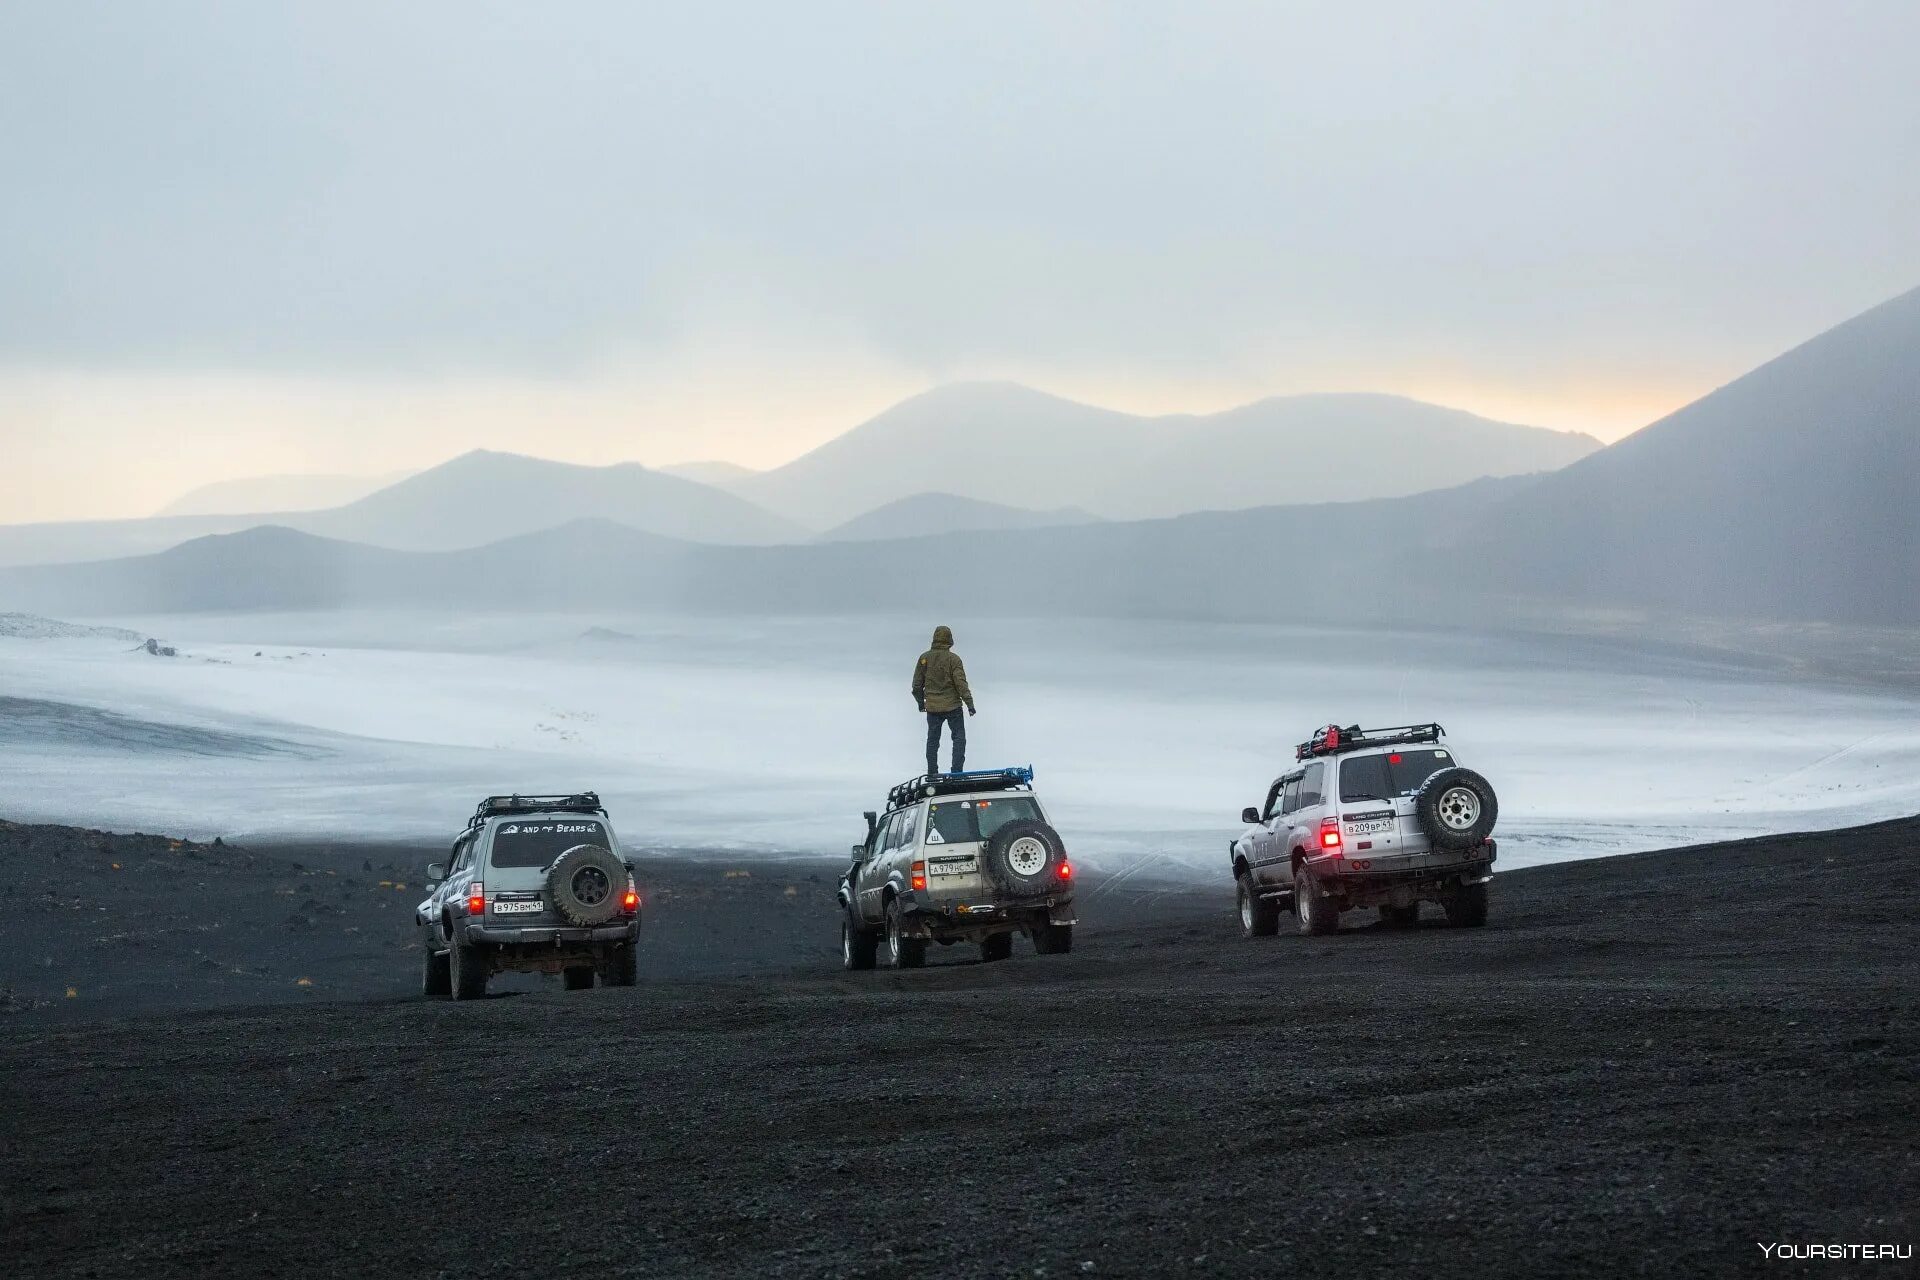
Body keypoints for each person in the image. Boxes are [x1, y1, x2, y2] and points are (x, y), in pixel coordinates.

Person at [912, 624, 976, 777]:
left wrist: (921, 703)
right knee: (959, 738)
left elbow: (916, 685)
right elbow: (961, 683)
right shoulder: (954, 659)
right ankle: (957, 772)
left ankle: (932, 773)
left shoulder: (924, 658)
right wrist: (970, 704)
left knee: (933, 741)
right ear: (950, 640)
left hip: (933, 708)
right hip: (953, 707)